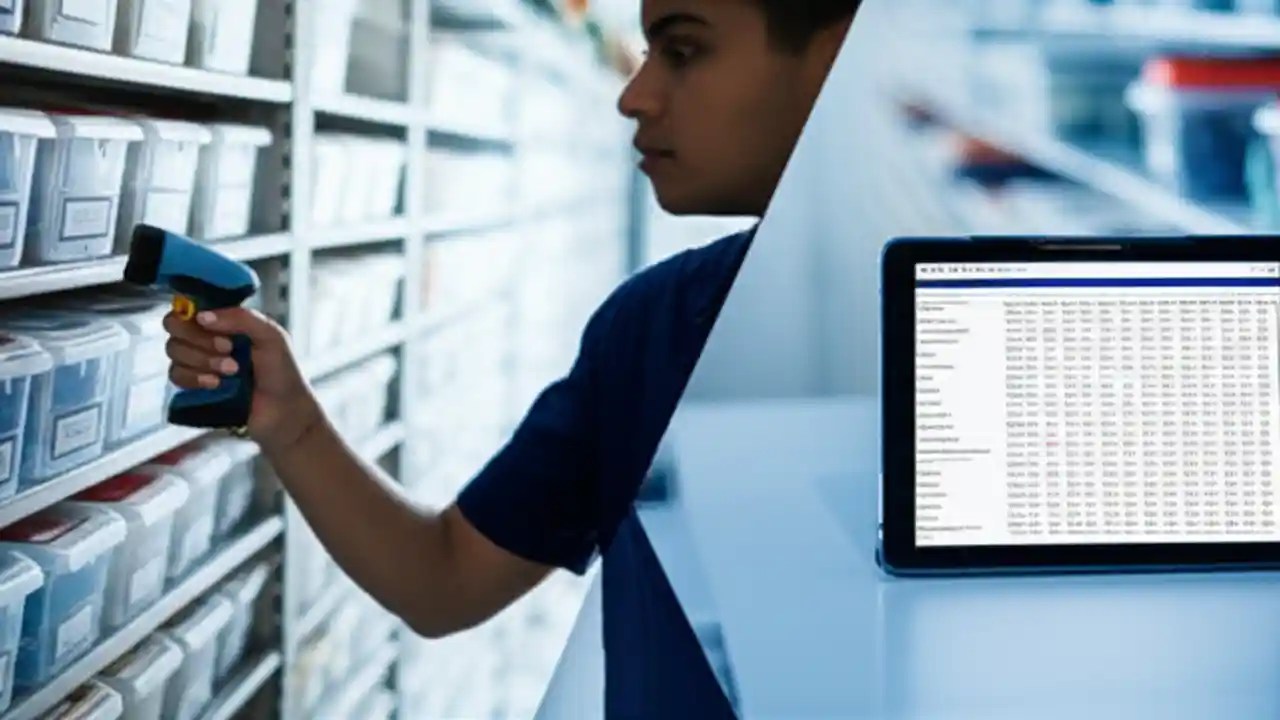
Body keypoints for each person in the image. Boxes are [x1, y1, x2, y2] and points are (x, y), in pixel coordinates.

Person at [163, 0, 859, 715]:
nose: (633, 95)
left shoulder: (959, 328)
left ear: (837, 61)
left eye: (682, 52)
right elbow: (445, 579)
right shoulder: (653, 328)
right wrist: (290, 418)